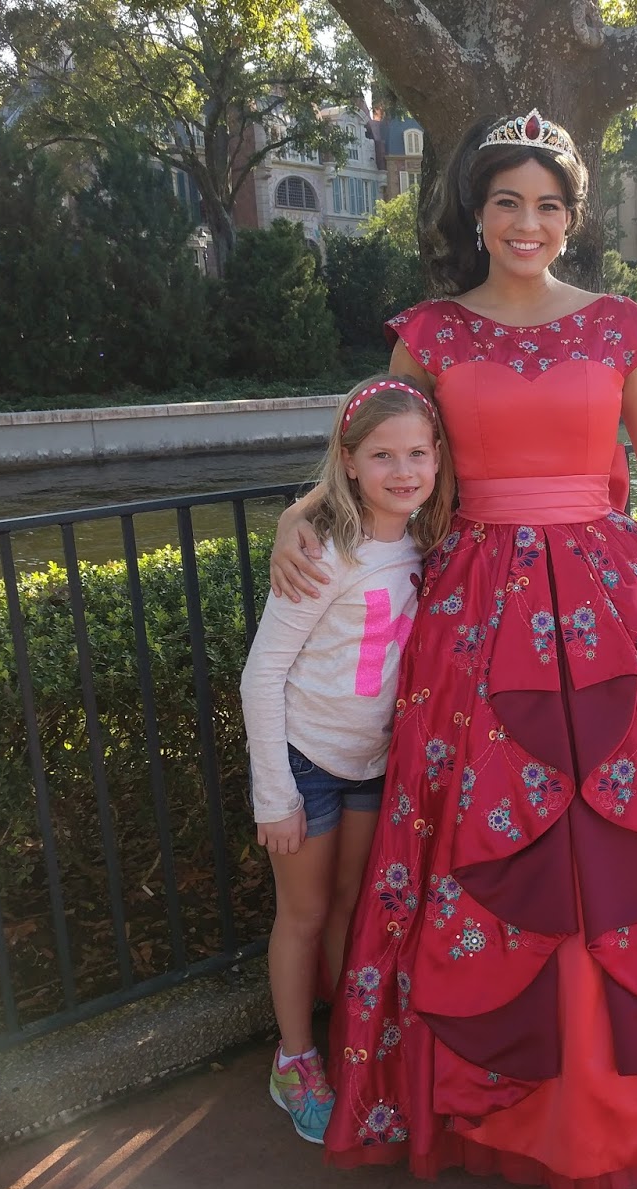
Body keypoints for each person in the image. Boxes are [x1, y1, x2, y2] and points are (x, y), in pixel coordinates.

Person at [268, 109, 637, 1189]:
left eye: (548, 205)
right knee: (492, 831)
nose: (528, 223)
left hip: (616, 592)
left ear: (572, 220)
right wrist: (303, 511)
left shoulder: (621, 327)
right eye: (507, 203)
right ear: (476, 214)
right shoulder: (430, 332)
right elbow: (375, 444)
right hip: (475, 606)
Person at [240, 375, 455, 1143]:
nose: (403, 470)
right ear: (351, 461)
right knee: (303, 914)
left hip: (373, 766)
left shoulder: (429, 542)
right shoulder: (322, 552)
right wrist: (275, 795)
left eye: (418, 453)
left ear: (438, 458)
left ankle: (346, 1046)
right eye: (383, 455)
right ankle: (294, 1060)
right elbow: (261, 675)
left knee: (352, 907)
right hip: (307, 765)